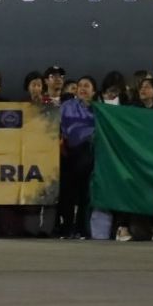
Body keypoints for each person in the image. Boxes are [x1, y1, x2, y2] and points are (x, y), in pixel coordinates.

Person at [57, 76, 97, 238]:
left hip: (88, 153)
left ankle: (82, 228)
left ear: (94, 91)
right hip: (66, 152)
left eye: (87, 86)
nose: (82, 88)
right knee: (67, 192)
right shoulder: (66, 106)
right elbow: (56, 125)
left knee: (84, 193)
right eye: (80, 86)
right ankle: (66, 227)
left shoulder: (99, 109)